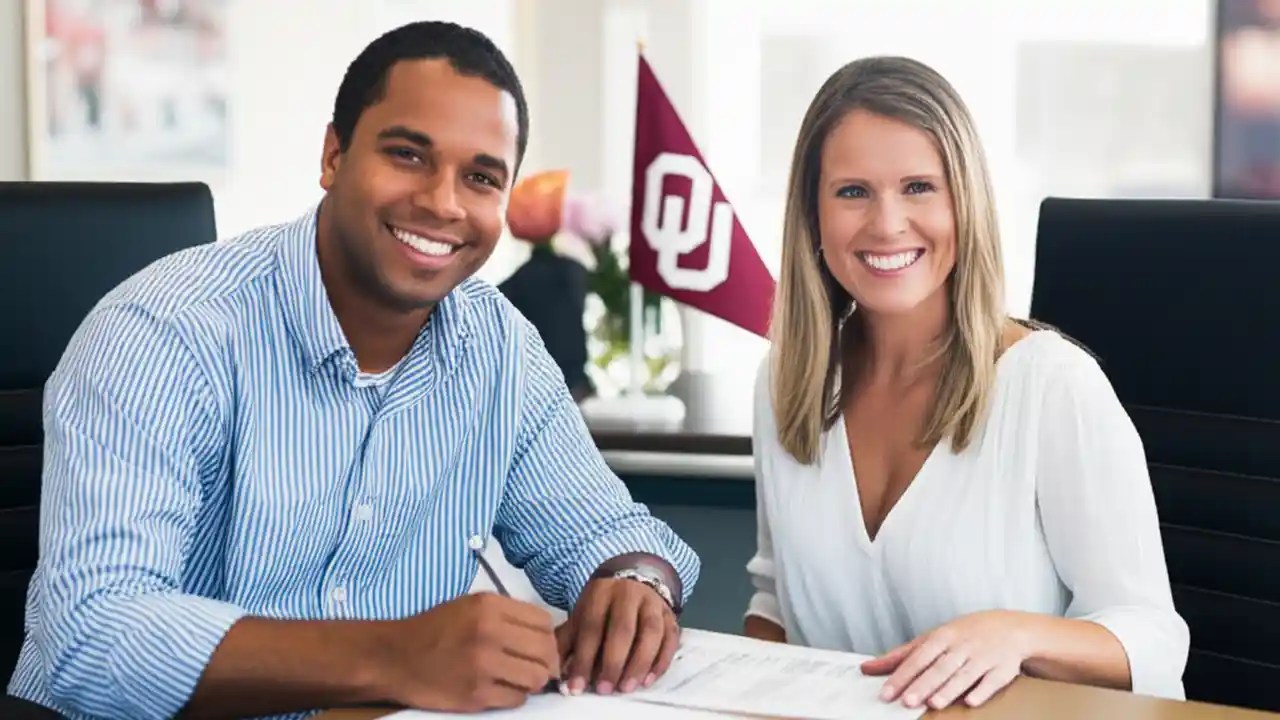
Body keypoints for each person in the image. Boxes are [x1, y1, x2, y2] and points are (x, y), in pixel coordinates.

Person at [10, 21, 698, 720]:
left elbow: (603, 533)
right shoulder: (165, 334)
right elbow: (91, 637)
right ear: (334, 155)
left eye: (482, 177)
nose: (442, 202)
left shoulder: (498, 347)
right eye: (407, 154)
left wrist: (637, 583)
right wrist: (396, 656)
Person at [743, 56, 1188, 711]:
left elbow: (1153, 644)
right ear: (812, 216)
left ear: (965, 201)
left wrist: (1012, 635)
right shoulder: (786, 382)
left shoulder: (1053, 388)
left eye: (919, 187)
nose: (887, 223)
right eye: (852, 191)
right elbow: (775, 600)